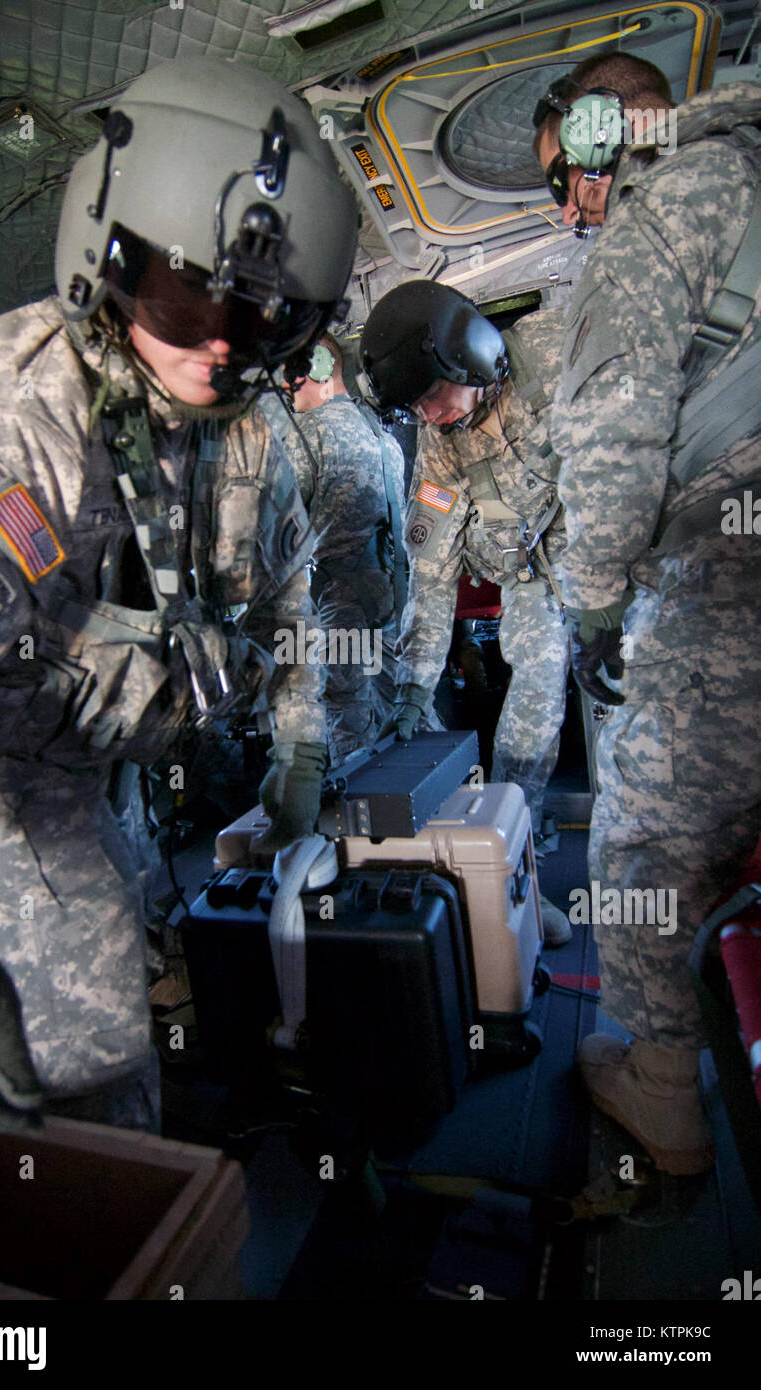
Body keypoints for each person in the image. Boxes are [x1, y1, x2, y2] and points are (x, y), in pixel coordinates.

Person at [0, 55, 358, 1133]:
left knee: (149, 973)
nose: (215, 346)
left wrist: (298, 747)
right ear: (103, 258)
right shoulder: (8, 421)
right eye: (185, 291)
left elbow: (288, 603)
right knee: (81, 1073)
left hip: (122, 774)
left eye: (259, 318)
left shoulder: (241, 430)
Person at [533, 54, 761, 1172]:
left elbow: (611, 444)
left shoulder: (661, 202)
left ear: (594, 135)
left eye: (561, 178)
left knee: (637, 843)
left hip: (728, 581)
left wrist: (589, 606)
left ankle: (665, 1085)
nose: (568, 206)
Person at [361, 281, 573, 946]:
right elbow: (430, 579)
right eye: (412, 408)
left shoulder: (557, 350)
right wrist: (411, 693)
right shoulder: (439, 444)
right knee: (532, 704)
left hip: (613, 555)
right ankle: (518, 874)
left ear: (468, 358)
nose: (426, 415)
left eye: (431, 396)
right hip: (533, 582)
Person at [273, 334, 407, 764]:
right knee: (402, 707)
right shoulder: (382, 433)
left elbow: (277, 534)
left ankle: (369, 820)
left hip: (343, 599)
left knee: (346, 713)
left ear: (316, 367)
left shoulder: (305, 435)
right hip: (394, 591)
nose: (284, 390)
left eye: (287, 377)